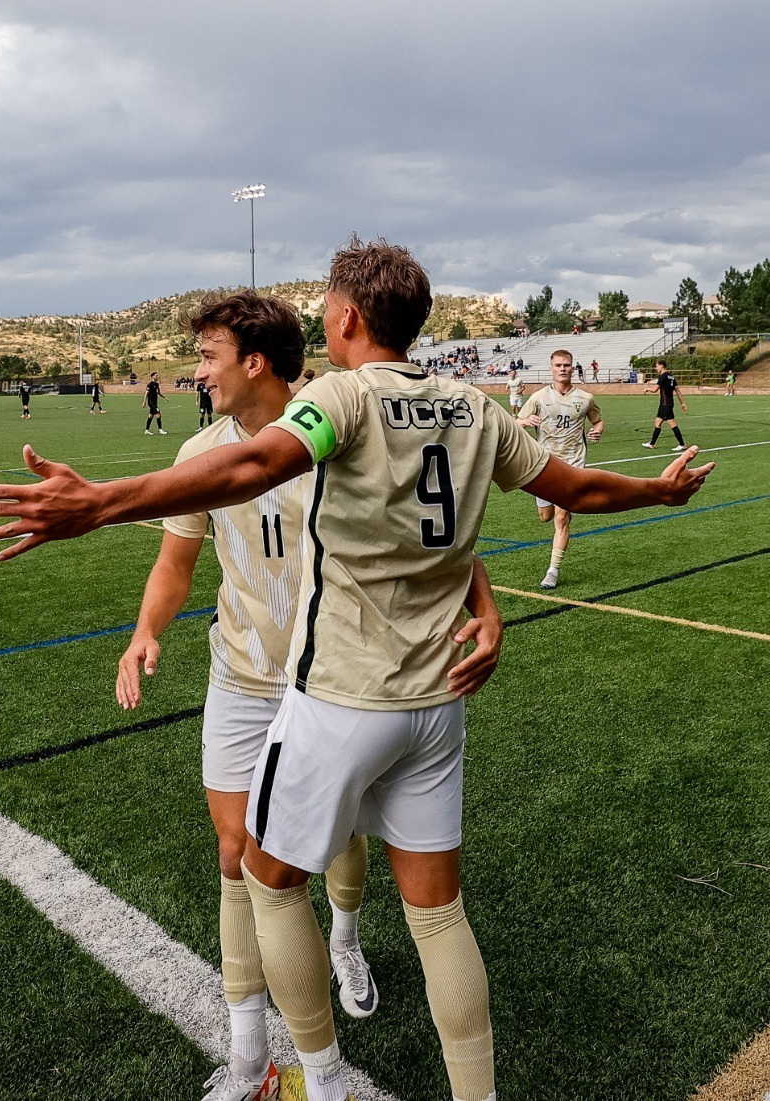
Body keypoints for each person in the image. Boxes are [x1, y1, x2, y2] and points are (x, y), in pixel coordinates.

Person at [0, 237, 714, 1101]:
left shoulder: (337, 399)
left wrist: (99, 502)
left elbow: (254, 462)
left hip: (341, 697)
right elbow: (573, 486)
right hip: (439, 704)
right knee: (439, 917)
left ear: (349, 314)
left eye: (327, 299)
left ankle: (322, 1081)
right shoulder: (473, 405)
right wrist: (658, 492)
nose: (321, 311)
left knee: (266, 878)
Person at [116, 293, 497, 1101]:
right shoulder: (199, 450)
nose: (197, 370)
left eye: (209, 354)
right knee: (238, 853)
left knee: (333, 842)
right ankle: (253, 1058)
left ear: (256, 361)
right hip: (243, 680)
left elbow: (433, 530)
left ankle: (346, 937)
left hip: (334, 684)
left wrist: (483, 603)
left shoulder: (338, 427)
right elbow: (175, 565)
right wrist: (146, 630)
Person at [519, 350, 603, 590]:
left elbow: (597, 420)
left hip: (573, 463)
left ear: (572, 367)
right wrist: (525, 422)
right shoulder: (538, 398)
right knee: (545, 516)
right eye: (558, 365)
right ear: (551, 368)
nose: (562, 369)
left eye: (566, 365)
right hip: (545, 463)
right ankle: (560, 508)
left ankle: (552, 571)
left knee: (561, 517)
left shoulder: (585, 398)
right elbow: (516, 421)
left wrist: (598, 430)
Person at [642, 359, 688, 449]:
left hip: (665, 404)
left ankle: (682, 444)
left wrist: (647, 389)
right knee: (657, 422)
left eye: (657, 366)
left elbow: (655, 389)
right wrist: (682, 403)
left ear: (661, 366)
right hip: (667, 403)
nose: (656, 368)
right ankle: (652, 444)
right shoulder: (671, 377)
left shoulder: (663, 377)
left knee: (672, 423)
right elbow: (678, 391)